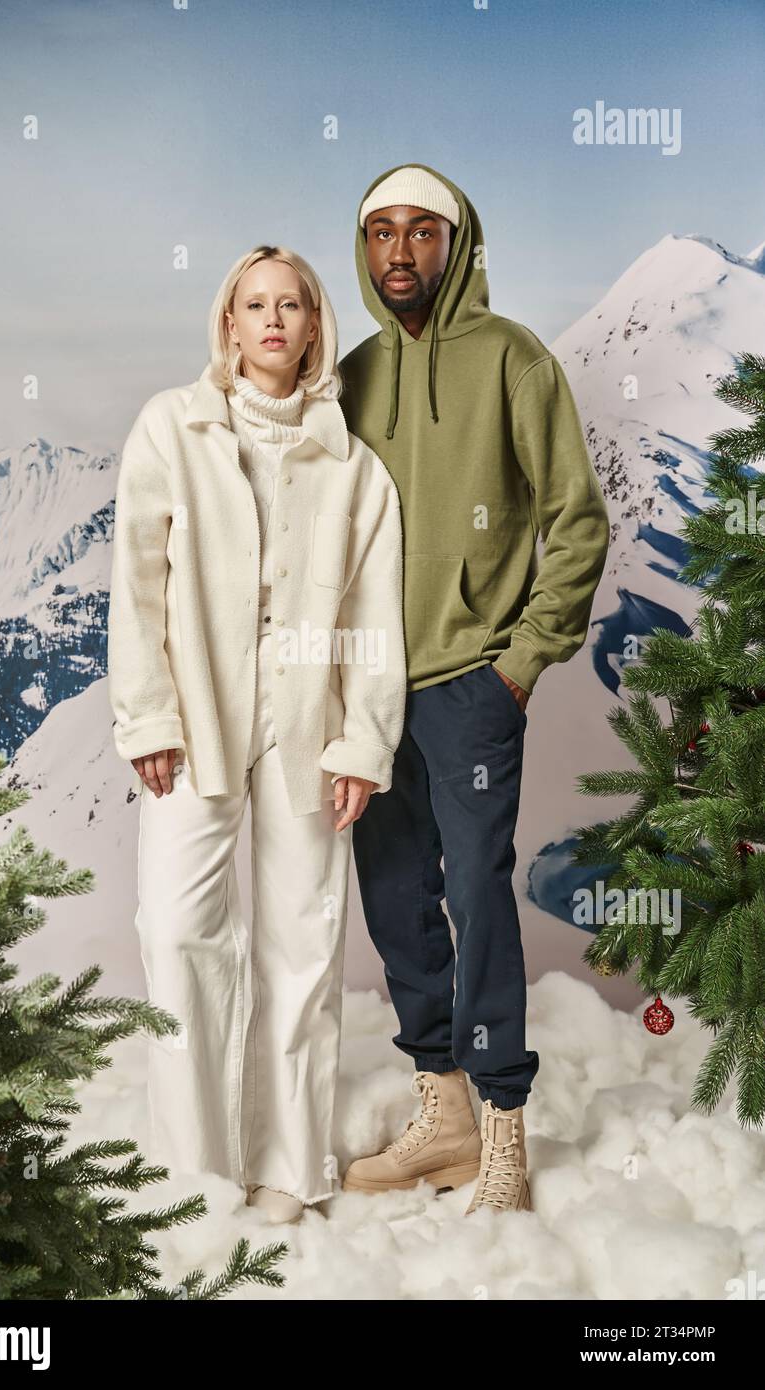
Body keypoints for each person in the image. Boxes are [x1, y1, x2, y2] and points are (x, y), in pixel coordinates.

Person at [107, 245, 406, 1224]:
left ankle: (290, 1166)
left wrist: (362, 741)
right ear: (226, 323)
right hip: (195, 719)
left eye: (292, 304)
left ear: (316, 326)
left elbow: (370, 617)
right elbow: (137, 584)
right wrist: (149, 713)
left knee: (301, 945)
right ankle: (197, 1168)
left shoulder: (354, 471)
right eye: (254, 304)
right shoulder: (170, 430)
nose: (273, 320)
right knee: (178, 929)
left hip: (307, 731)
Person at [338, 164, 611, 1213]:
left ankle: (502, 1128)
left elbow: (575, 519)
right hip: (367, 693)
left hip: (469, 690)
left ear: (457, 245)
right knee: (395, 899)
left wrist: (519, 664)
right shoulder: (354, 375)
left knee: (476, 896)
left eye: (419, 232)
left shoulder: (512, 359)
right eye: (378, 234)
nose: (398, 253)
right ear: (361, 250)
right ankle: (440, 1111)